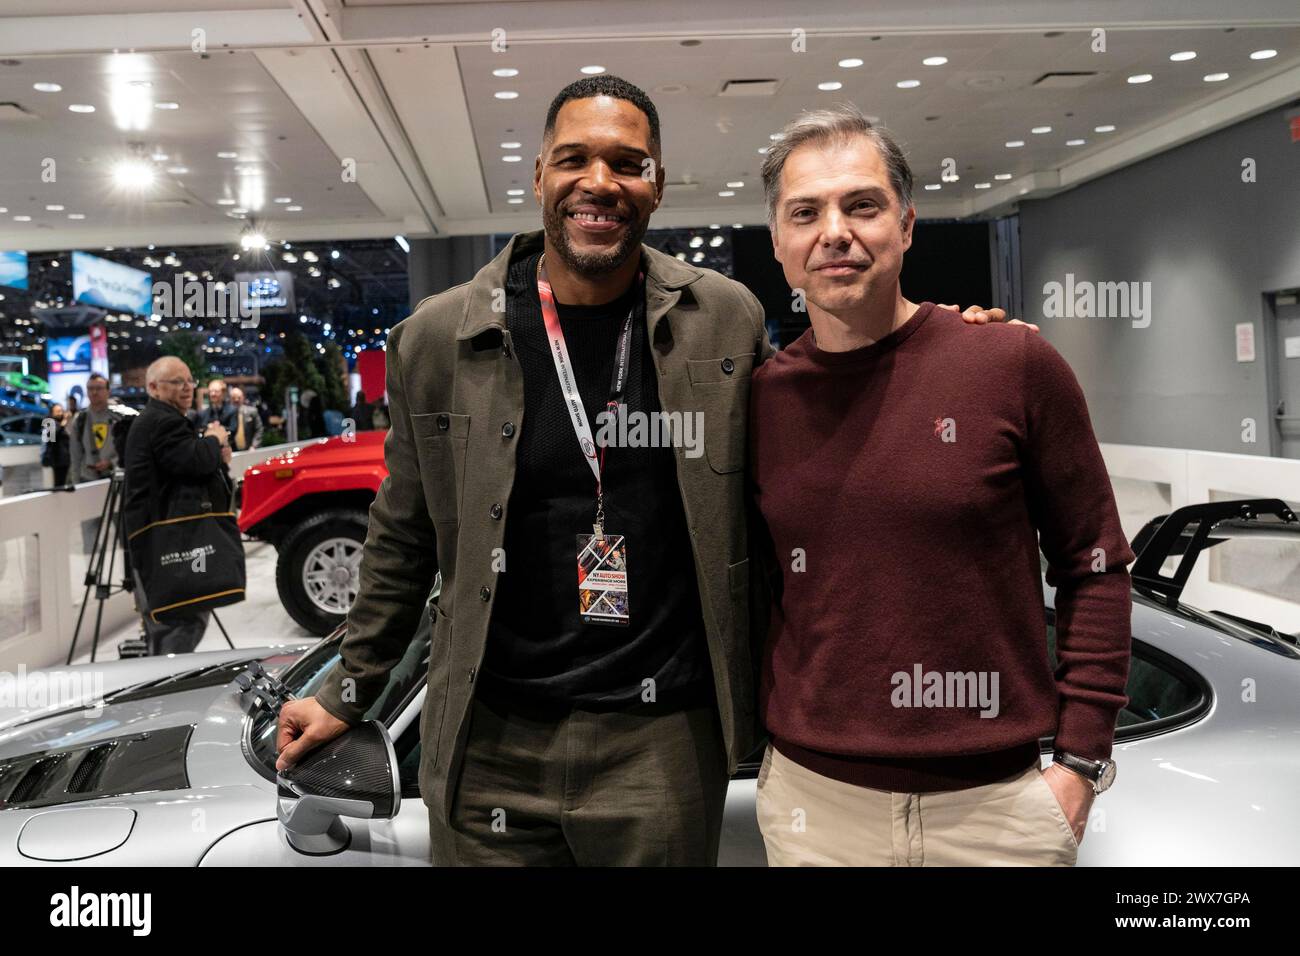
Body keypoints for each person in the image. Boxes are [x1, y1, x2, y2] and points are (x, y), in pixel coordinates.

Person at [274, 76, 1014, 867]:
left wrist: (944, 351)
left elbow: (823, 408)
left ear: (656, 185)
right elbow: (400, 537)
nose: (600, 182)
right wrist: (350, 686)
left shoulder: (722, 317)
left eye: (629, 163)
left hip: (663, 743)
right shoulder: (439, 338)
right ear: (539, 178)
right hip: (490, 740)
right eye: (574, 160)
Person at [749, 105, 1133, 867]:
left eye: (862, 204)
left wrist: (1081, 763)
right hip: (813, 812)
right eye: (806, 212)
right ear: (779, 244)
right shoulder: (758, 399)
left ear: (908, 225)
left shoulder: (1010, 365)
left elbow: (1096, 564)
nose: (835, 230)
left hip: (997, 814)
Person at [123, 357, 232, 655]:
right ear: (154, 388)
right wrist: (213, 440)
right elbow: (193, 463)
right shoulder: (164, 422)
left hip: (159, 544)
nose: (187, 388)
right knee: (180, 625)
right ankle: (163, 694)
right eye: (177, 382)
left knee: (174, 624)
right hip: (167, 548)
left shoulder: (156, 420)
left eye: (189, 381)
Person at [69, 373, 120, 482]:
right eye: (90, 388)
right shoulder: (79, 419)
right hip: (88, 479)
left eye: (99, 388)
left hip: (115, 477)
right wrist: (75, 484)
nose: (94, 392)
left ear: (108, 391)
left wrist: (112, 462)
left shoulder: (119, 416)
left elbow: (129, 448)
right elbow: (75, 456)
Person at [41, 403, 72, 487]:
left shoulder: (60, 423)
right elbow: (52, 437)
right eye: (58, 411)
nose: (60, 413)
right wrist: (63, 424)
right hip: (58, 459)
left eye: (61, 411)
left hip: (65, 459)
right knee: (59, 483)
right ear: (52, 413)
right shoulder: (50, 422)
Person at [228, 386, 263, 451]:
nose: (236, 400)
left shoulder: (252, 411)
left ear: (243, 397)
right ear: (230, 399)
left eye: (239, 397)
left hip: (250, 450)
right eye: (233, 398)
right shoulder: (227, 414)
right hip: (233, 451)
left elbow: (259, 429)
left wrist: (254, 445)